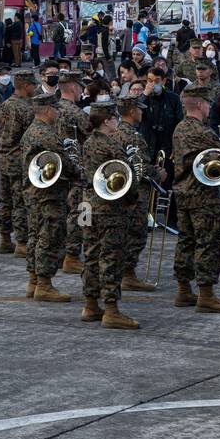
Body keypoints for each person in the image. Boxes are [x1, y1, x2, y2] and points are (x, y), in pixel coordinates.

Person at [170, 84, 220, 312]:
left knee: (186, 240)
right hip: (204, 196)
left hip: (183, 193)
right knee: (209, 243)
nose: (209, 107)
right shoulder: (203, 132)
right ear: (199, 104)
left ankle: (183, 290)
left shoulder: (179, 128)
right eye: (207, 103)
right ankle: (206, 295)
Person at [79, 99, 141, 329]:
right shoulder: (111, 146)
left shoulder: (88, 143)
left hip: (87, 206)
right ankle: (112, 309)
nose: (117, 121)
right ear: (107, 120)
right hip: (109, 210)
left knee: (92, 254)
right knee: (111, 257)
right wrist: (133, 198)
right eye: (114, 117)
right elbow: (127, 178)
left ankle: (90, 304)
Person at [21, 91, 77, 302]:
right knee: (49, 237)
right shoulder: (45, 134)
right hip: (48, 196)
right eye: (55, 109)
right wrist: (80, 171)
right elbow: (67, 164)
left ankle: (34, 281)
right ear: (46, 110)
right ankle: (44, 284)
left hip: (35, 194)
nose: (58, 113)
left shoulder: (32, 131)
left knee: (36, 235)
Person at [116, 94, 160, 292]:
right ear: (132, 111)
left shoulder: (113, 132)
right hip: (136, 191)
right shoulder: (133, 136)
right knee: (137, 232)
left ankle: (124, 271)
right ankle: (128, 273)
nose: (142, 112)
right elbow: (141, 166)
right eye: (140, 109)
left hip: (119, 190)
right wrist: (158, 172)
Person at [0, 69, 37, 254]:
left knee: (5, 200)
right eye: (33, 85)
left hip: (3, 155)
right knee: (20, 201)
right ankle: (21, 242)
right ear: (26, 86)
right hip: (18, 158)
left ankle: (4, 238)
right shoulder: (24, 108)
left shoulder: (5, 105)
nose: (35, 88)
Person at [54, 71, 90, 275]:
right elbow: (92, 134)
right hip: (78, 171)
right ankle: (72, 256)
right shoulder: (76, 113)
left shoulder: (52, 109)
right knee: (81, 214)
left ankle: (61, 253)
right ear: (74, 87)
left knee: (61, 213)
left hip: (57, 170)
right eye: (81, 86)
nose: (82, 90)